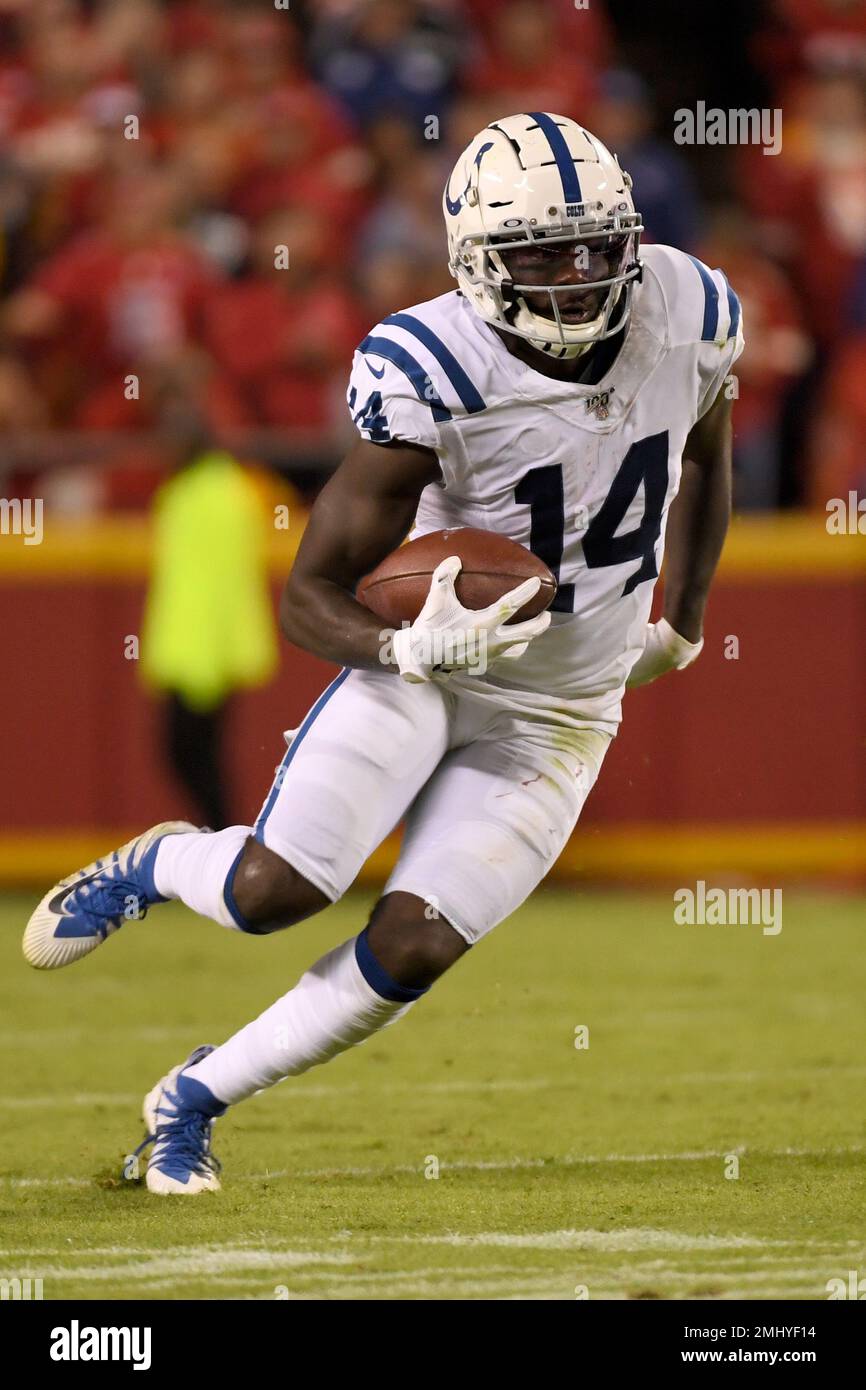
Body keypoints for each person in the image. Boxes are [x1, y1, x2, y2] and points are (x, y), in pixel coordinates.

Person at [23, 113, 743, 1195]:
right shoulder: (431, 365)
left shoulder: (690, 306)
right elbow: (308, 595)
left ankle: (191, 1100)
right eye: (542, 253)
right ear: (473, 261)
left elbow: (706, 446)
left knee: (412, 947)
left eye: (597, 245)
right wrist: (405, 645)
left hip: (562, 705)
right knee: (272, 891)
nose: (577, 275)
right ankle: (161, 861)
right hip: (429, 667)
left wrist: (681, 614)